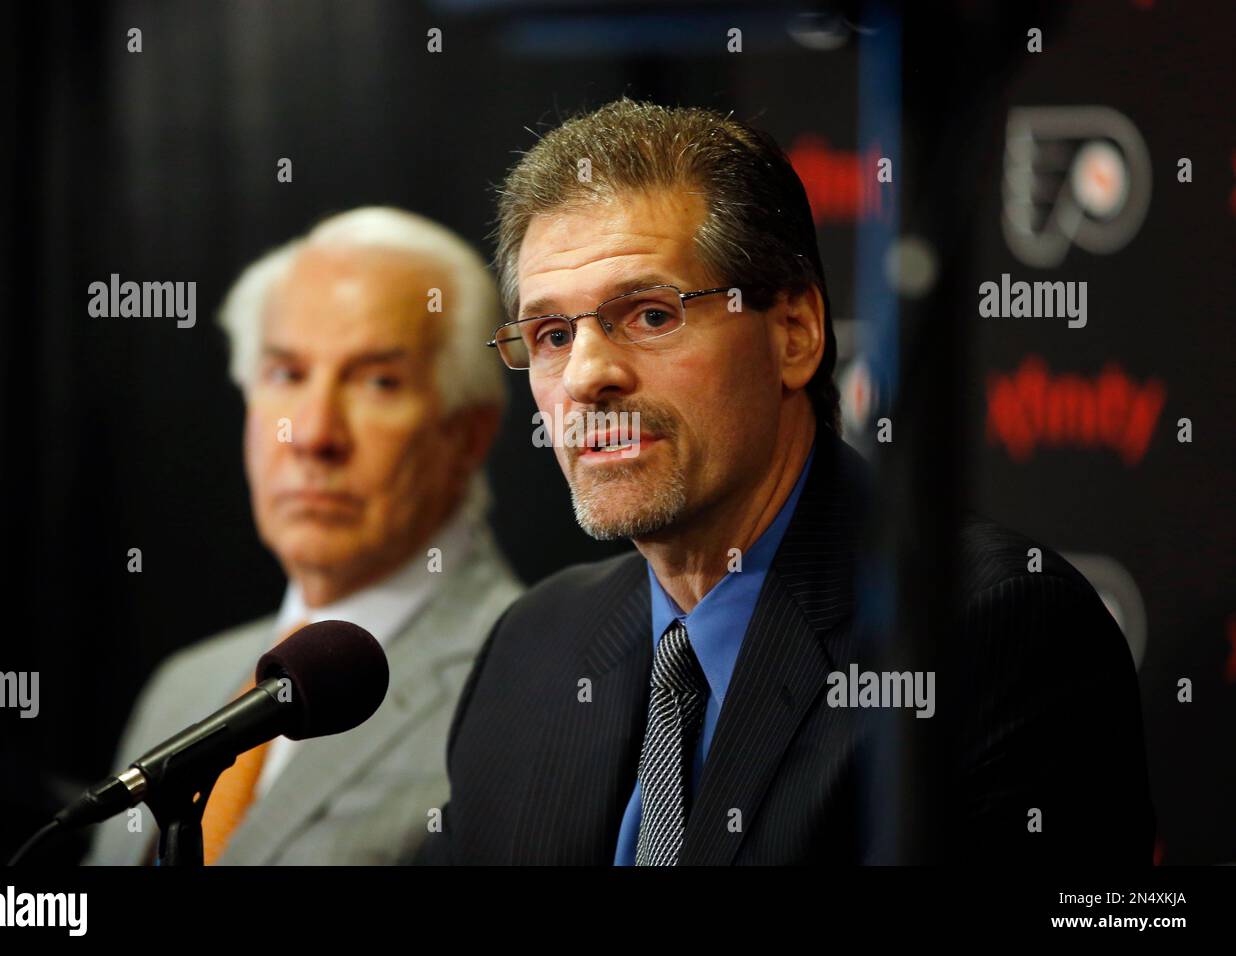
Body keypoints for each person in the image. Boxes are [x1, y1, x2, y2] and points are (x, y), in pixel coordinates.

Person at [420, 99, 1153, 865]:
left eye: (649, 315)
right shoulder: (535, 646)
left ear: (794, 333)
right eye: (552, 334)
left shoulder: (977, 633)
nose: (587, 375)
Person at [86, 207, 523, 864]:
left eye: (379, 381)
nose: (314, 434)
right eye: (287, 375)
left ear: (469, 434)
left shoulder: (527, 687)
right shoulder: (184, 687)